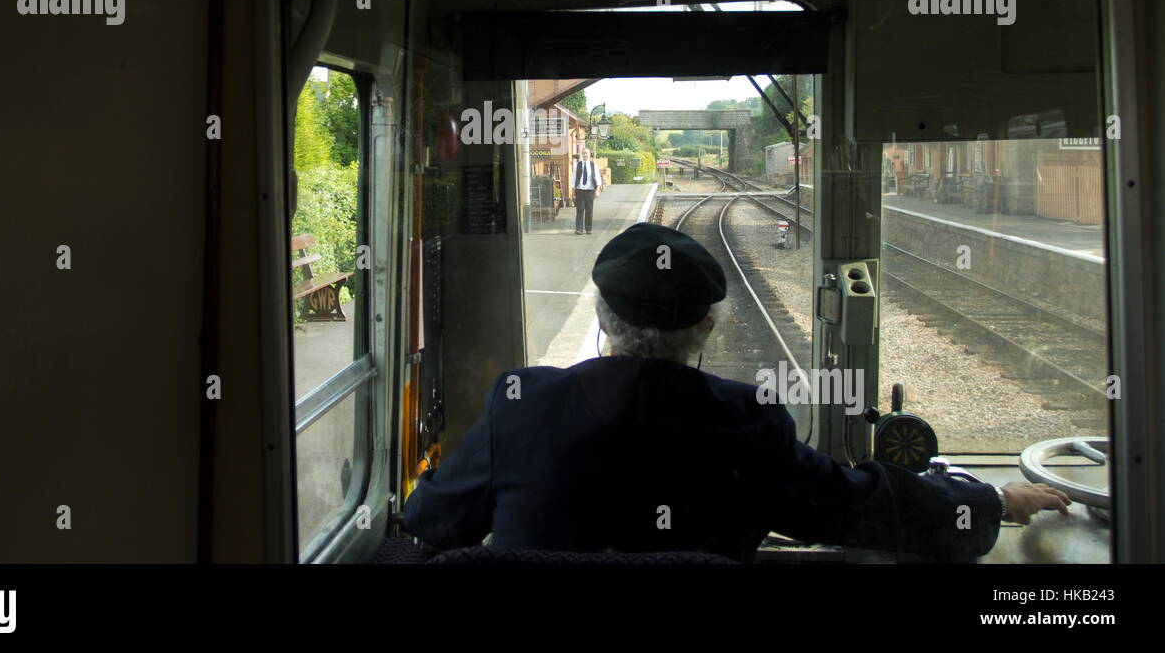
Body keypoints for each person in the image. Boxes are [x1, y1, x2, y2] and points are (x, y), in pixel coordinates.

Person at [403, 223, 1071, 561]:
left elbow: (432, 521)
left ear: (603, 316)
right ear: (704, 328)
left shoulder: (522, 402)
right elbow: (854, 504)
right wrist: (992, 500)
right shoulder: (746, 423)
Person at [572, 146, 602, 235]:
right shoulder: (578, 165)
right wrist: (573, 190)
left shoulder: (593, 165)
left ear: (589, 155)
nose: (585, 155)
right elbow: (574, 178)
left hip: (590, 190)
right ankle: (579, 229)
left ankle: (588, 228)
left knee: (589, 210)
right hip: (580, 190)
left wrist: (597, 189)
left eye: (587, 153)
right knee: (579, 210)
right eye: (584, 153)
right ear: (582, 154)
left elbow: (597, 177)